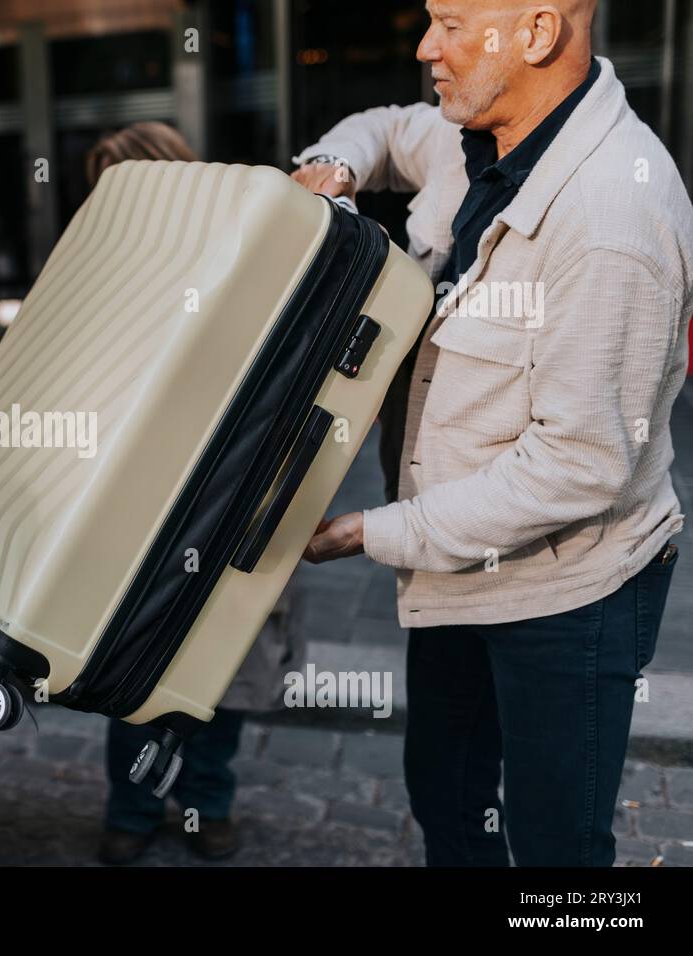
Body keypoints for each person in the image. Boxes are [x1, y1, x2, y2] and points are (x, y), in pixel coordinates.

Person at [293, 0, 691, 866]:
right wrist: (333, 162)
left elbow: (577, 467)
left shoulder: (612, 220)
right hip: (459, 563)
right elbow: (386, 129)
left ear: (538, 34)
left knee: (557, 847)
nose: (427, 46)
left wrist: (374, 531)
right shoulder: (475, 129)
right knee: (446, 797)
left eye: (451, 22)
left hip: (569, 591)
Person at [0, 122, 306, 865]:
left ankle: (208, 800)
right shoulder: (99, 268)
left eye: (124, 180)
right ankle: (133, 809)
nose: (113, 200)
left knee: (220, 665)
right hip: (133, 512)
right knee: (128, 659)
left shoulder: (248, 257)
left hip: (227, 495)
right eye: (104, 184)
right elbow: (49, 377)